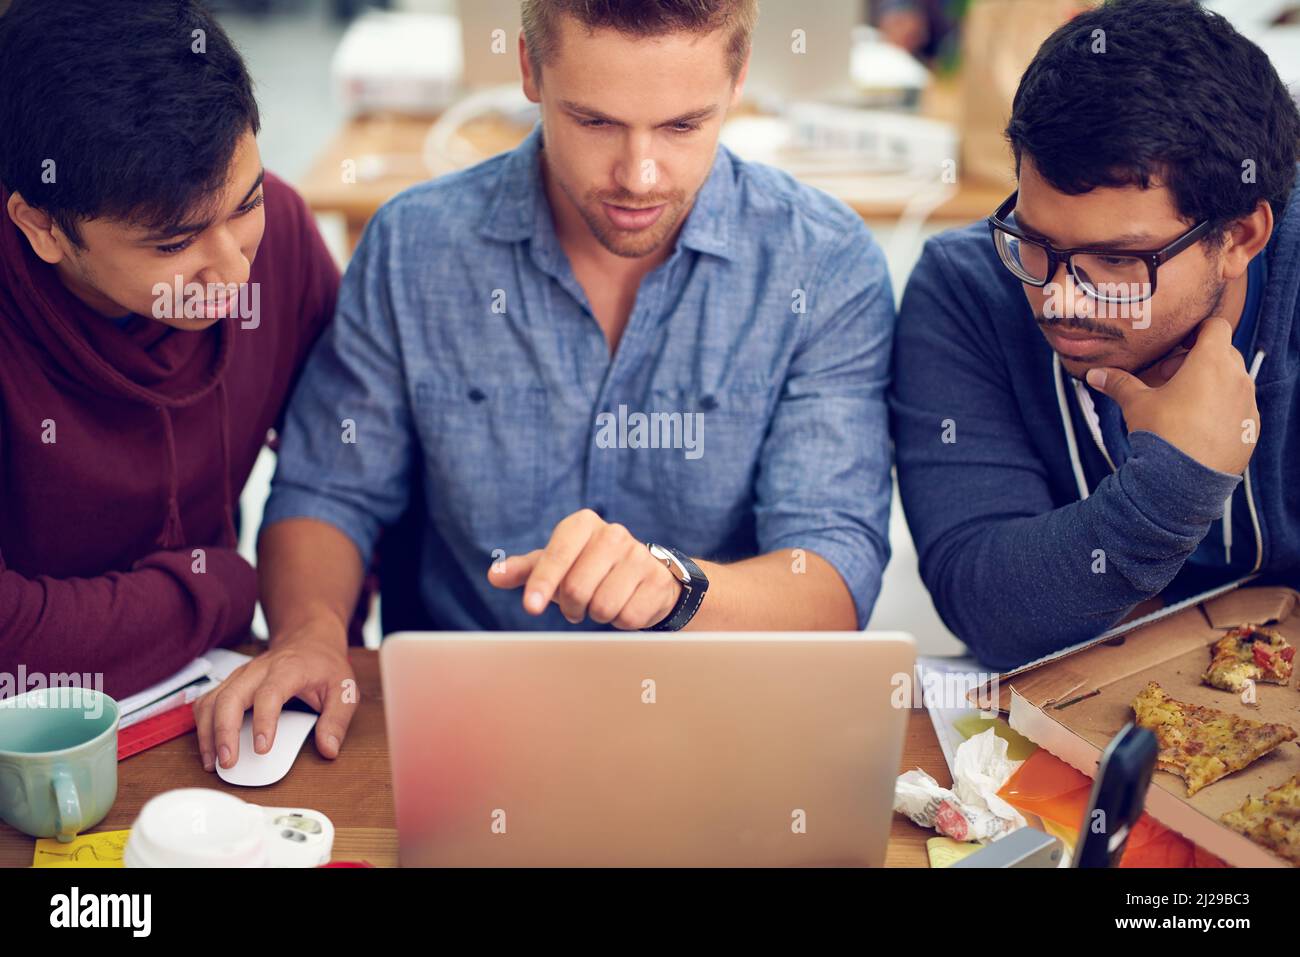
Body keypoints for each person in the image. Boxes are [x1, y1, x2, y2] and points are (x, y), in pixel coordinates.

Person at [195, 0, 898, 772]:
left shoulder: (824, 265)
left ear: (738, 78)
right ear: (529, 71)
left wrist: (677, 591)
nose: (639, 175)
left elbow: (830, 572)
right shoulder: (412, 247)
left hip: (723, 725)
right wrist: (310, 635)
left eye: (681, 126)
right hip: (463, 725)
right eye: (595, 122)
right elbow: (328, 493)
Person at [892, 0, 1300, 670]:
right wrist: (1174, 486)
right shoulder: (966, 288)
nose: (1058, 298)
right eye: (1034, 239)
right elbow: (987, 603)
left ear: (1240, 237)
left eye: (1117, 260)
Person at [0, 0, 340, 699]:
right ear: (43, 227)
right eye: (174, 244)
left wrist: (311, 625)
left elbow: (353, 467)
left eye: (246, 204)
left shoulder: (284, 241)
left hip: (215, 688)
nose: (235, 275)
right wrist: (217, 587)